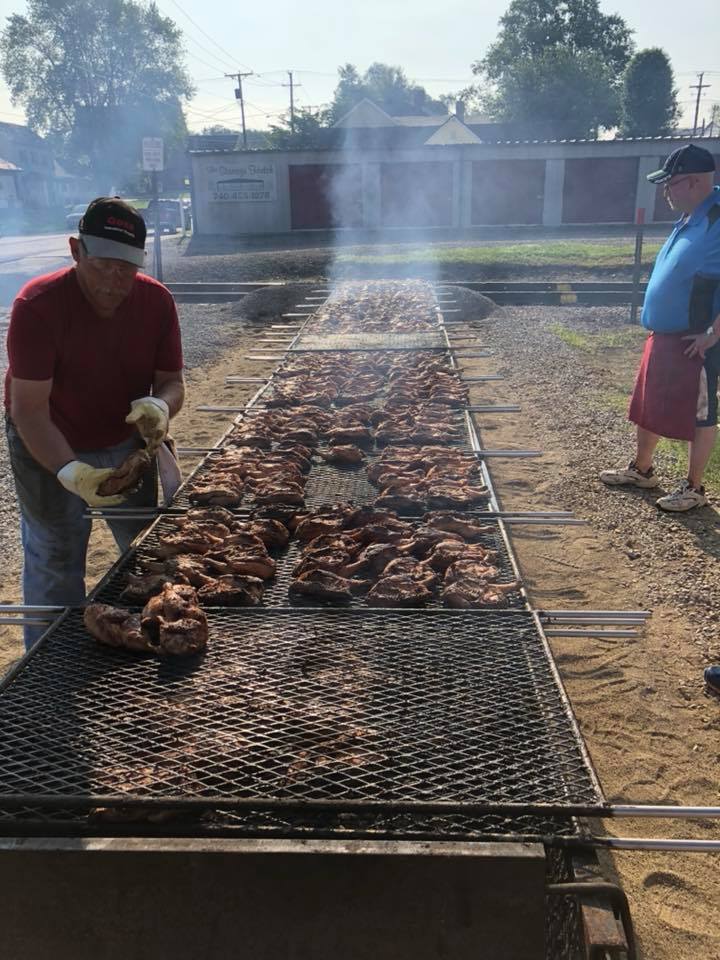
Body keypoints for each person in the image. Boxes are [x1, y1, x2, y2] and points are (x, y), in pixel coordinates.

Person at [5, 196, 185, 649]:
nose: (113, 280)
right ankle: (49, 664)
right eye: (102, 264)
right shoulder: (38, 305)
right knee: (55, 552)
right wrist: (71, 471)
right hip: (48, 438)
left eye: (126, 268)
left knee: (146, 544)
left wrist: (160, 406)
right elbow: (28, 409)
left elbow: (172, 382)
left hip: (125, 440)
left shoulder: (156, 302)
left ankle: (151, 638)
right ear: (76, 250)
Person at [600, 143, 720, 512]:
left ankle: (694, 488)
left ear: (695, 182)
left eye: (671, 183)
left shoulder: (717, 219)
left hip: (695, 339)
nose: (665, 191)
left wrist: (714, 333)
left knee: (700, 412)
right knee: (649, 401)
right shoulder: (690, 217)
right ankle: (643, 469)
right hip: (665, 335)